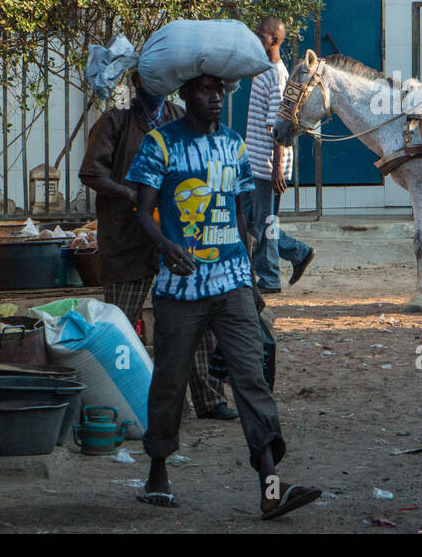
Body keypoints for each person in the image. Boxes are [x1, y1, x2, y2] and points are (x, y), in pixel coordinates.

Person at [126, 72, 321, 518]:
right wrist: (165, 246)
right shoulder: (160, 144)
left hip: (231, 281)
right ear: (185, 95)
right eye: (204, 91)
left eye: (220, 91)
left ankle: (271, 486)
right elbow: (142, 211)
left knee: (250, 377)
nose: (214, 98)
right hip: (180, 287)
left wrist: (251, 281)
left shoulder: (234, 145)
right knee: (170, 382)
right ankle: (157, 470)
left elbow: (239, 219)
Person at [79, 72, 237, 421]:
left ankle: (210, 400)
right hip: (126, 239)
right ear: (136, 84)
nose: (155, 89)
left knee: (195, 320)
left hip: (175, 238)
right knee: (120, 324)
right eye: (149, 82)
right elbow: (91, 173)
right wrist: (129, 193)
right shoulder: (114, 122)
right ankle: (118, 406)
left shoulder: (177, 118)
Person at [244, 17, 314, 294]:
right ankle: (297, 252)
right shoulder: (262, 70)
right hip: (258, 161)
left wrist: (276, 169)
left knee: (262, 223)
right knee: (255, 220)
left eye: (261, 35)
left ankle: (270, 278)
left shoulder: (277, 76)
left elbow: (278, 126)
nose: (257, 38)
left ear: (274, 40)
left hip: (267, 165)